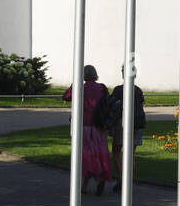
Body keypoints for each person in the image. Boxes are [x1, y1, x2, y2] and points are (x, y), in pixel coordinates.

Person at [62, 65, 112, 195]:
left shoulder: (81, 88)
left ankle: (97, 179)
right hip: (99, 126)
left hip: (85, 125)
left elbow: (66, 97)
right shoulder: (102, 87)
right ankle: (84, 186)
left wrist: (73, 85)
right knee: (99, 154)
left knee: (87, 156)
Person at [106, 67, 146, 191]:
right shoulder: (138, 90)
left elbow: (113, 107)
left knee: (116, 151)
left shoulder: (118, 90)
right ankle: (128, 180)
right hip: (138, 122)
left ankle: (123, 178)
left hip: (122, 123)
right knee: (131, 154)